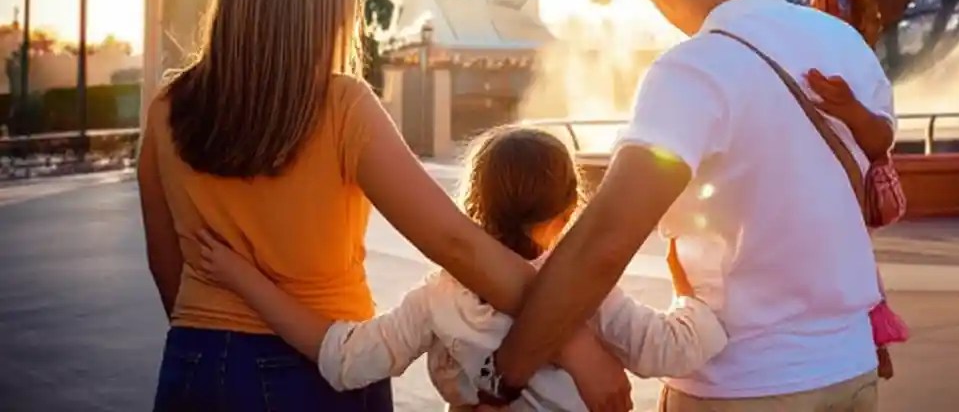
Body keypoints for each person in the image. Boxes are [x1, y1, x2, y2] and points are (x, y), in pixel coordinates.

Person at [138, 0, 630, 412]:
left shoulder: (167, 108)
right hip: (313, 368)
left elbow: (165, 260)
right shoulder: (341, 106)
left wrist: (217, 342)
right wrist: (572, 340)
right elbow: (454, 243)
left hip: (191, 363)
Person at [488, 0, 896, 411]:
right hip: (851, 371)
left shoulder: (692, 70)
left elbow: (608, 239)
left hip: (745, 384)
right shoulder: (846, 41)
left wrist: (505, 374)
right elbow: (873, 159)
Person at [194, 125, 728, 410]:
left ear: (473, 205)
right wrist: (690, 287)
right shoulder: (591, 297)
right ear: (568, 215)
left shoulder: (438, 297)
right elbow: (672, 349)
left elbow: (345, 359)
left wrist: (244, 276)